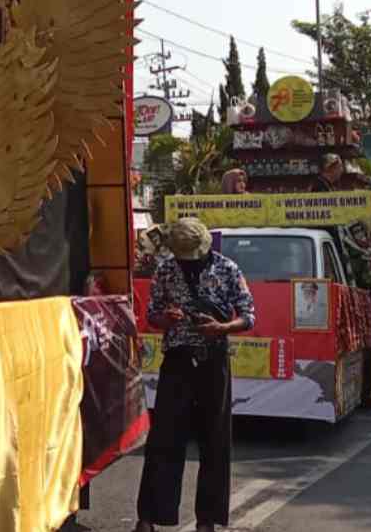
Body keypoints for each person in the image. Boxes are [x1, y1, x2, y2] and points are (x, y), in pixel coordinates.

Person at [134, 218, 256, 532]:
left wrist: (221, 328)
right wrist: (167, 319)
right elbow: (151, 316)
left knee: (214, 442)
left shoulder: (228, 268)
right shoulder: (165, 270)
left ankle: (207, 521)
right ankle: (148, 517)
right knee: (163, 440)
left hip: (213, 361)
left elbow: (248, 316)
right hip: (177, 360)